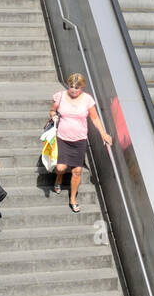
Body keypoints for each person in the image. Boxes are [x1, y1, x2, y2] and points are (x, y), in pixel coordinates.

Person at [48, 73, 112, 211]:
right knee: (61, 168)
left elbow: (95, 118)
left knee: (77, 171)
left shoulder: (87, 100)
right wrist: (53, 116)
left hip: (80, 140)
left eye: (77, 88)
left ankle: (73, 198)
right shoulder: (59, 96)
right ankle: (59, 178)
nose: (73, 90)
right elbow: (52, 111)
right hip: (62, 138)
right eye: (71, 87)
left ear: (82, 87)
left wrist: (103, 134)